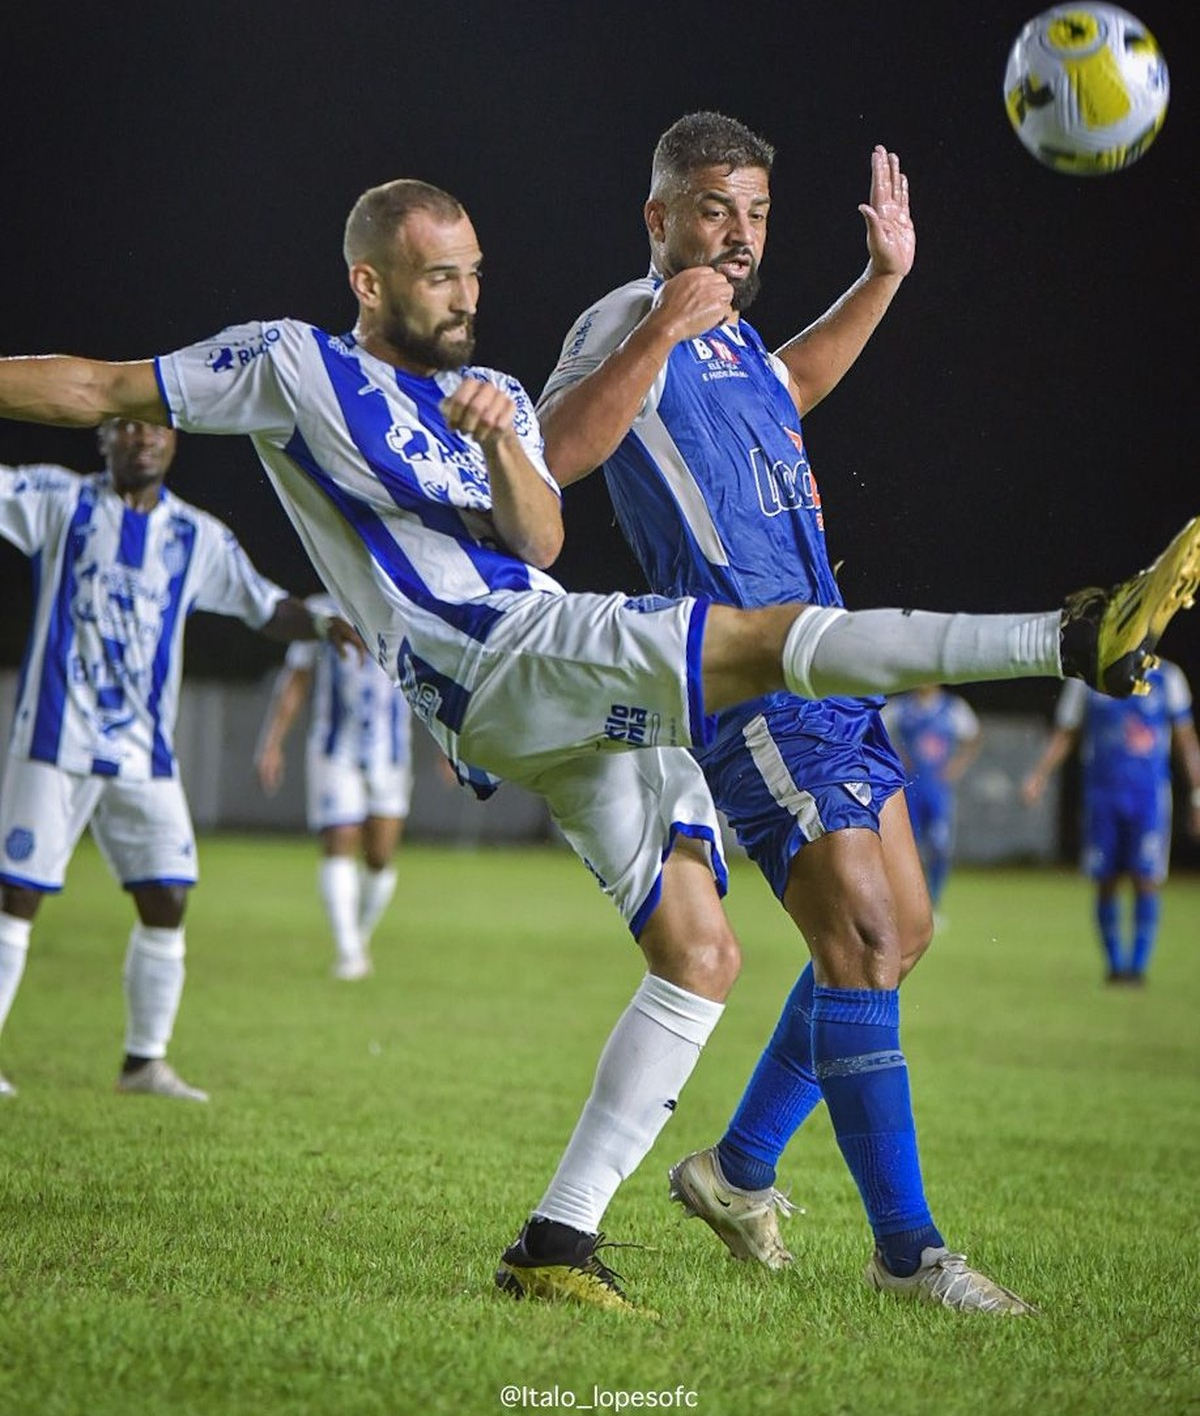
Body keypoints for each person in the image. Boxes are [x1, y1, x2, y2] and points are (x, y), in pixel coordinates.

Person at [0, 179, 1194, 1315]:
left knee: (703, 951)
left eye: (472, 274)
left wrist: (501, 444)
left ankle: (558, 1242)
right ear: (368, 281)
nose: (464, 297)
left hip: (533, 673)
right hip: (498, 654)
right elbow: (101, 386)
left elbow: (543, 529)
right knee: (767, 646)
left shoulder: (500, 393)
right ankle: (1068, 634)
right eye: (435, 278)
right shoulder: (292, 363)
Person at [535, 111, 1183, 1315]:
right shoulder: (627, 320)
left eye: (758, 215)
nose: (736, 237)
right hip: (750, 677)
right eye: (714, 210)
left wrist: (881, 278)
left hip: (829, 660)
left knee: (905, 932)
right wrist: (661, 325)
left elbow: (793, 385)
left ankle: (735, 1170)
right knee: (865, 943)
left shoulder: (735, 350)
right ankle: (908, 1254)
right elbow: (553, 454)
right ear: (658, 216)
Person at [0, 419, 357, 1100]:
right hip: (55, 740)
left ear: (175, 443)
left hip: (145, 753)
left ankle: (144, 1064)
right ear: (102, 439)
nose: (142, 438)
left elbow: (262, 604)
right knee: (15, 894)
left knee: (166, 895)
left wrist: (317, 621)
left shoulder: (196, 536)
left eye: (156, 427)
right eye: (126, 426)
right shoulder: (61, 501)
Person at [256, 591, 414, 980]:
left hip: (389, 751)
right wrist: (272, 742)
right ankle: (348, 951)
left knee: (379, 856)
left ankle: (356, 938)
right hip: (333, 749)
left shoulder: (406, 607)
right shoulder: (321, 611)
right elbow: (296, 680)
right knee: (339, 838)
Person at [1021, 661, 1200, 984]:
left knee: (1146, 877)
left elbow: (1185, 738)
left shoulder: (1168, 677)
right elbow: (1066, 732)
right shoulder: (1089, 678)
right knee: (1106, 879)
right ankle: (1116, 966)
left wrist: (1197, 793)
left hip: (1150, 797)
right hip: (1102, 796)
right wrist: (1039, 775)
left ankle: (1139, 966)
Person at [885, 686, 983, 914]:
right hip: (908, 791)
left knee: (940, 847)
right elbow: (874, 730)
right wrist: (895, 758)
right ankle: (910, 905)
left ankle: (933, 902)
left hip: (938, 791)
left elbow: (974, 738)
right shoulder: (900, 707)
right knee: (908, 850)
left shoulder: (953, 708)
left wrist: (957, 766)